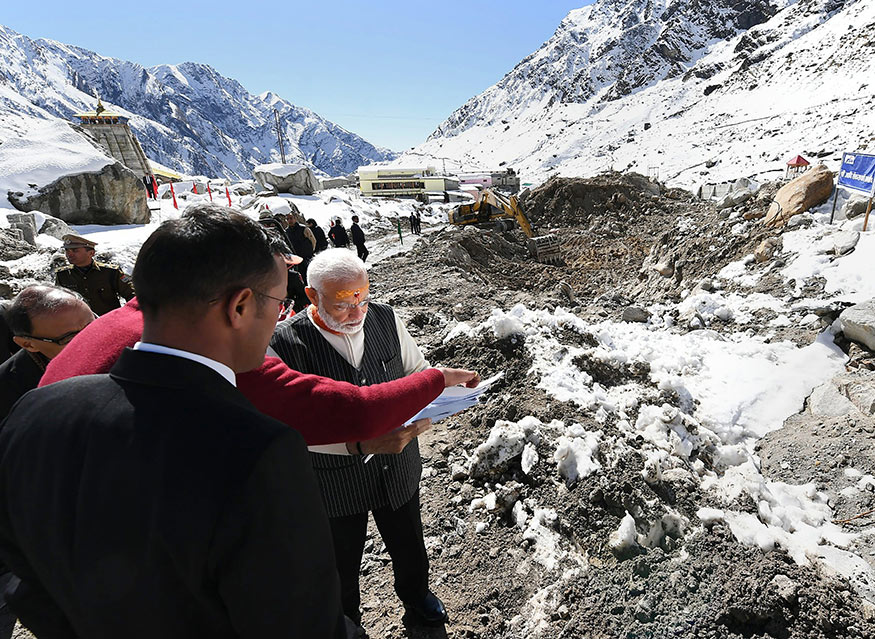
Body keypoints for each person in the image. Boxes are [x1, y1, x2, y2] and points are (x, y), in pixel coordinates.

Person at [0, 205, 350, 638]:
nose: (280, 317)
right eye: (279, 303)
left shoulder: (36, 410)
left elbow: (20, 573)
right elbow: (302, 623)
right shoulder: (257, 450)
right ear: (240, 306)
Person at [271, 249, 469, 634]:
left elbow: (417, 373)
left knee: (409, 542)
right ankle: (347, 623)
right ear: (312, 297)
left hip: (397, 467)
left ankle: (417, 598)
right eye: (344, 301)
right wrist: (359, 444)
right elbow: (288, 429)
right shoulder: (284, 345)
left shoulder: (387, 320)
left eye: (363, 294)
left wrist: (439, 402)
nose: (358, 309)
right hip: (332, 481)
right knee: (339, 561)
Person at [0, 286, 93, 420]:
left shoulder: (122, 342)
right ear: (28, 344)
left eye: (92, 326)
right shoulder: (9, 392)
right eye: (70, 338)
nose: (90, 338)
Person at [55, 234, 135, 316]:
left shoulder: (110, 272)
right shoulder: (63, 275)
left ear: (91, 253)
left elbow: (132, 295)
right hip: (78, 325)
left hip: (108, 323)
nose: (69, 254)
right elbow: (58, 302)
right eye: (67, 250)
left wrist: (129, 316)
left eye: (75, 250)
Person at [285, 209, 316, 283]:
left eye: (291, 218)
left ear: (295, 219)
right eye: (288, 219)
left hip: (306, 257)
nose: (290, 220)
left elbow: (313, 241)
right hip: (295, 259)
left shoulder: (304, 229)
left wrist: (310, 252)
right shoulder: (286, 232)